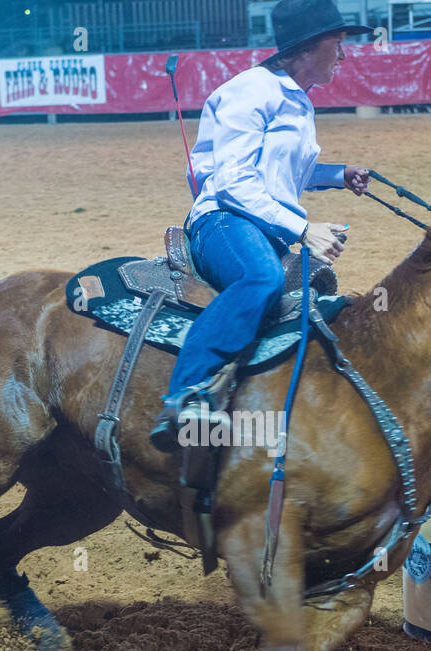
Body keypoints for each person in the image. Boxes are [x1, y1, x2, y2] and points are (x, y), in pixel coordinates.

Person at [149, 0, 373, 453]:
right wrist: (301, 228)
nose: (344, 56)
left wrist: (336, 173)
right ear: (308, 48)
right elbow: (233, 180)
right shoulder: (249, 92)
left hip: (261, 223)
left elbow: (280, 172)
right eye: (338, 45)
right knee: (262, 277)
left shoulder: (297, 98)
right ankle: (186, 394)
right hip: (224, 220)